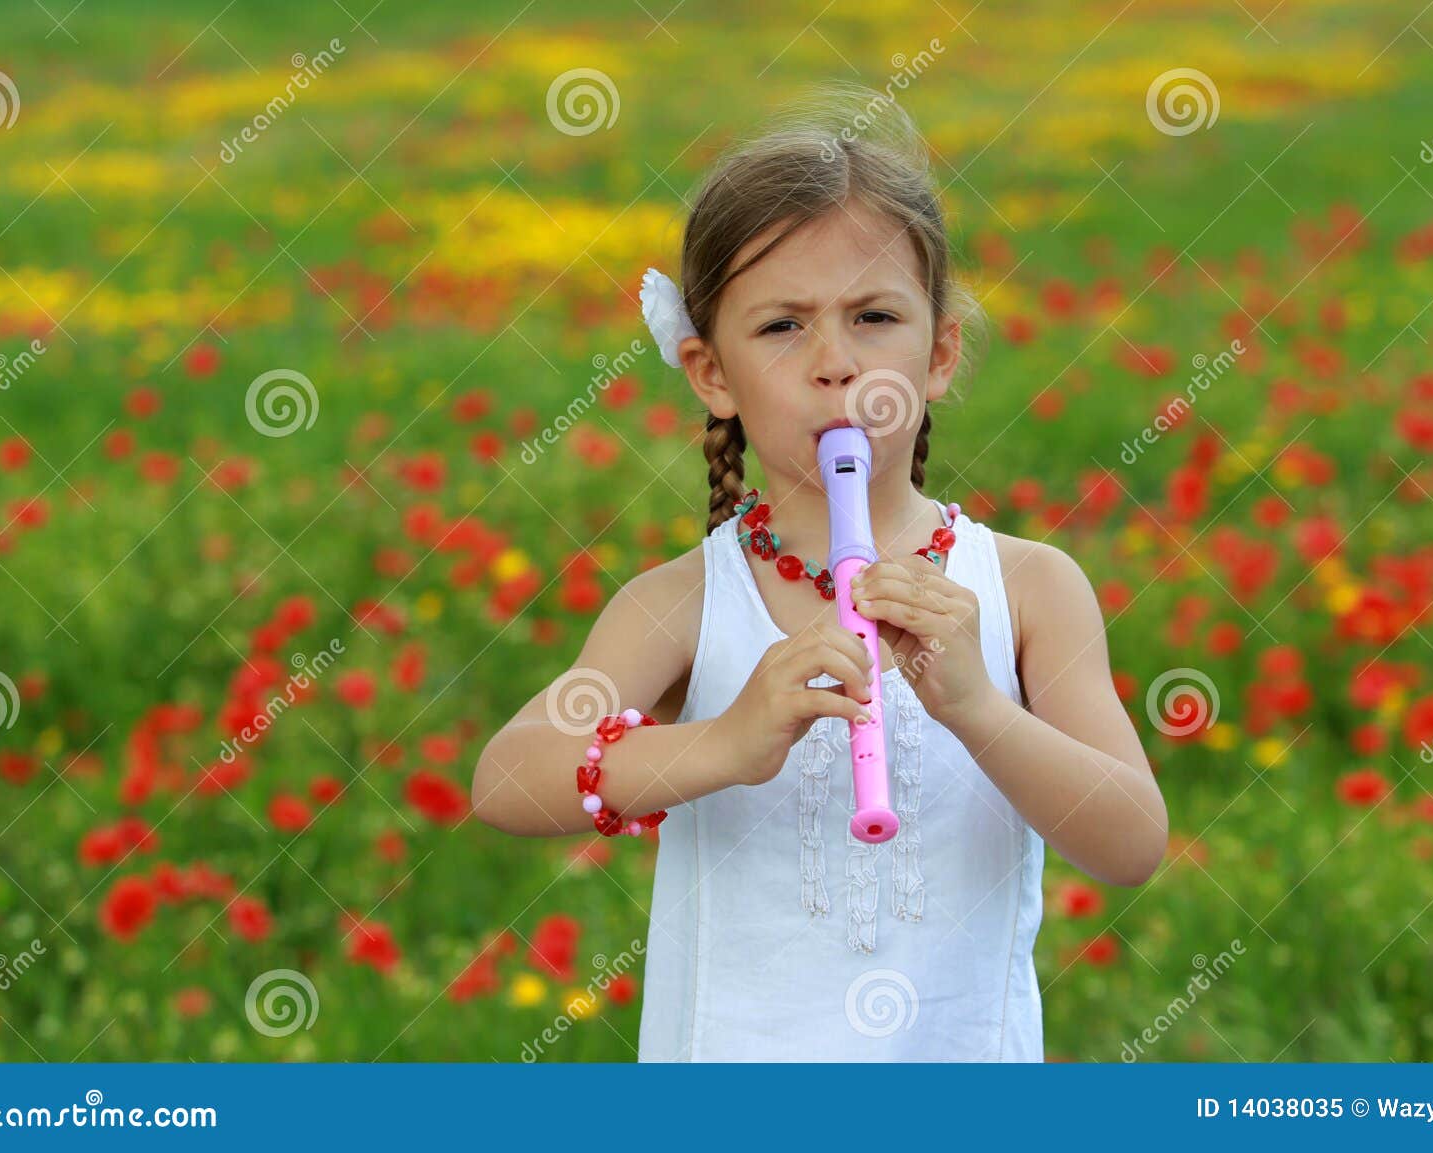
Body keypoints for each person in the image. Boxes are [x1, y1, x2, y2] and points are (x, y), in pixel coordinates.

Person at [473, 88, 1167, 1061]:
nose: (836, 364)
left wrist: (979, 708)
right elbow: (508, 776)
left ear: (938, 354)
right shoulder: (679, 602)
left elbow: (1132, 842)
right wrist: (724, 742)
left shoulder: (1029, 590)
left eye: (875, 316)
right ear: (711, 373)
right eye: (782, 327)